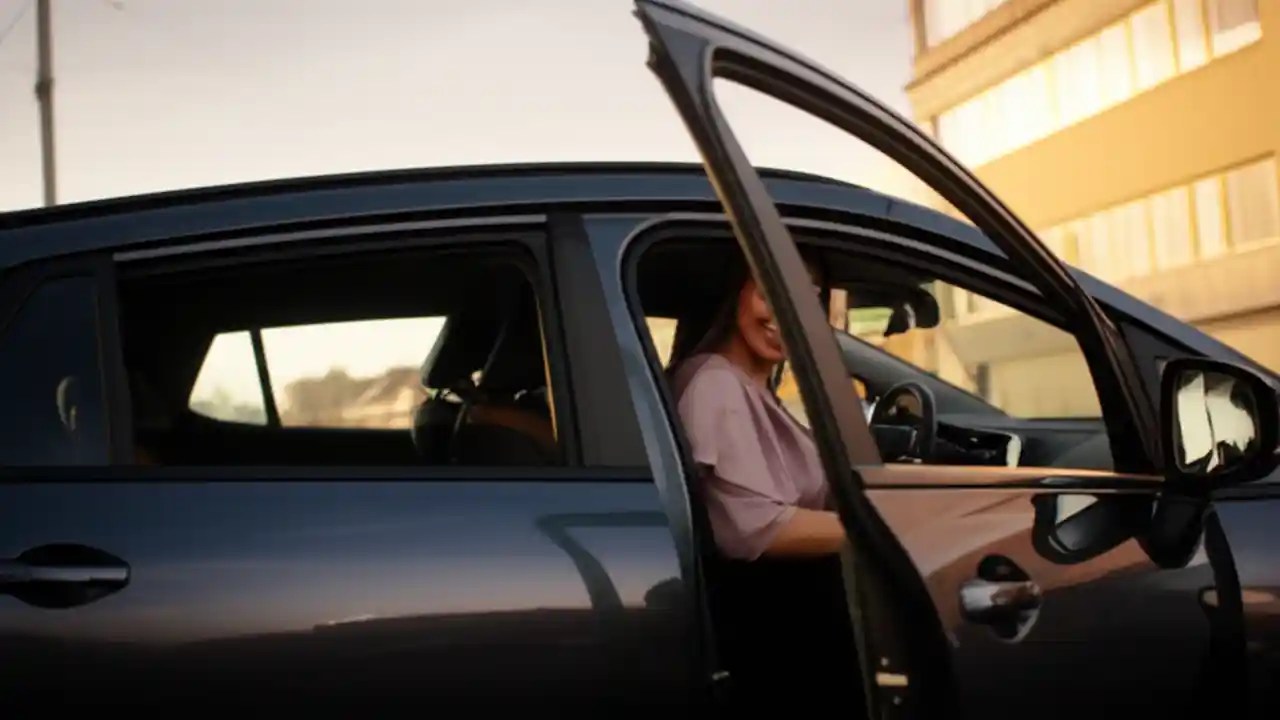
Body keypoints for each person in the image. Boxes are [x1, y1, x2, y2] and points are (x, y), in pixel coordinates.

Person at [667, 251, 848, 562]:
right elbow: (755, 528)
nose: (785, 313)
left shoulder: (752, 386)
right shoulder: (715, 384)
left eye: (804, 300)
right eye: (769, 294)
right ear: (735, 293)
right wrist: (886, 531)